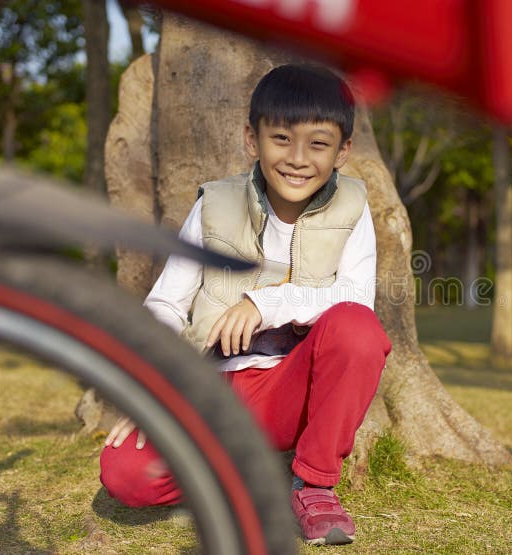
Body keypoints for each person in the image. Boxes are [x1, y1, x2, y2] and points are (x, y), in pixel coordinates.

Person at [98, 64, 392, 546]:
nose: (298, 159)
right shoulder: (215, 203)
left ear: (343, 152)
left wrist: (266, 303)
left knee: (357, 329)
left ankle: (314, 485)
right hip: (209, 386)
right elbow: (167, 305)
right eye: (281, 139)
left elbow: (357, 299)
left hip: (288, 389)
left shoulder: (353, 207)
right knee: (125, 473)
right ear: (251, 140)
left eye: (318, 144)